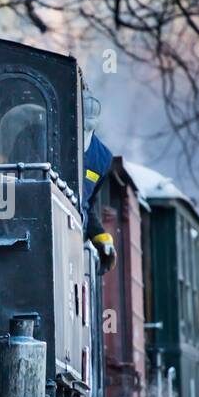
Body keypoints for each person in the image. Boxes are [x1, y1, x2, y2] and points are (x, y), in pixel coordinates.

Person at [81, 89, 116, 272]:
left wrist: (100, 236)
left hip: (75, 240)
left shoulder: (101, 158)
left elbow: (87, 203)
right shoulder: (38, 135)